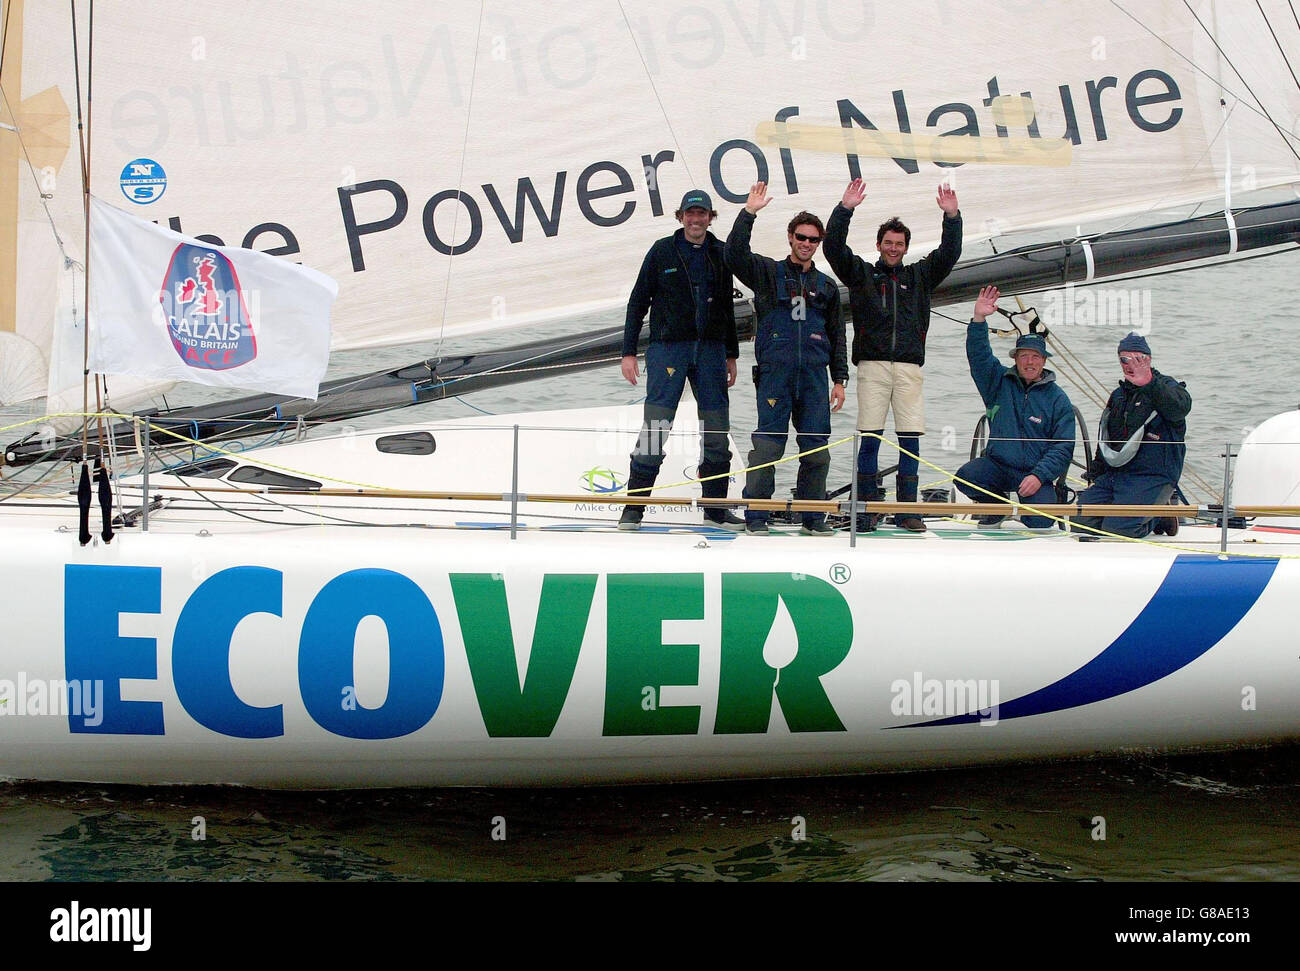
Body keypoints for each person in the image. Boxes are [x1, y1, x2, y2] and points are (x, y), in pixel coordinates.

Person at [823, 177, 962, 531]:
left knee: (910, 440)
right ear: (879, 245)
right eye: (888, 243)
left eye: (899, 244)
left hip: (908, 368)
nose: (893, 249)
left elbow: (949, 254)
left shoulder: (919, 277)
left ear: (906, 247)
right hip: (872, 367)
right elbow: (833, 249)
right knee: (869, 436)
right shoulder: (862, 275)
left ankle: (907, 511)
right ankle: (867, 509)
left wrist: (952, 217)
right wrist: (845, 209)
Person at [724, 182, 848, 535]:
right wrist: (749, 212)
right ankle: (757, 516)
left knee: (816, 451)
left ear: (818, 243)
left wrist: (839, 380)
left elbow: (838, 336)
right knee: (767, 448)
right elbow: (733, 254)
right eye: (800, 237)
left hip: (813, 379)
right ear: (790, 237)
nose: (806, 243)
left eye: (812, 239)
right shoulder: (767, 272)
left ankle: (813, 518)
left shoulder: (826, 287)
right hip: (775, 376)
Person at [618, 189, 743, 531]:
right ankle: (633, 509)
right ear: (680, 217)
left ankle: (715, 509)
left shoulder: (721, 252)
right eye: (690, 214)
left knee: (717, 431)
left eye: (702, 214)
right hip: (668, 350)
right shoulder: (662, 251)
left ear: (710, 217)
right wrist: (628, 352)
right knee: (656, 429)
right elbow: (637, 303)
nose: (696, 219)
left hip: (711, 351)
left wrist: (731, 353)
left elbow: (727, 309)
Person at [955, 285, 1075, 529]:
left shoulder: (1058, 398)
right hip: (998, 466)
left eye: (1035, 357)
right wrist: (979, 319)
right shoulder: (997, 382)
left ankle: (1039, 500)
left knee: (1039, 522)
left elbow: (1063, 448)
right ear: (1015, 359)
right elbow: (979, 357)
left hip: (1035, 473)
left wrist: (1039, 476)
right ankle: (997, 507)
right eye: (1024, 356)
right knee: (966, 477)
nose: (1029, 362)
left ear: (1043, 361)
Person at [1075, 332, 1191, 541]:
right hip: (1117, 475)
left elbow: (1180, 408)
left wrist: (1148, 383)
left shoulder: (1167, 387)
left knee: (1118, 530)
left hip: (1152, 475)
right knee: (1079, 522)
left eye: (1138, 359)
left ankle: (1160, 515)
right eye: (1124, 359)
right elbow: (1107, 437)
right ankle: (1140, 510)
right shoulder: (1118, 395)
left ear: (1149, 359)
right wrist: (1097, 471)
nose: (1131, 364)